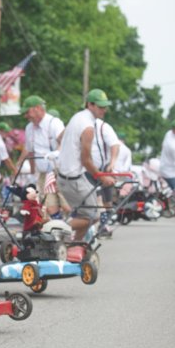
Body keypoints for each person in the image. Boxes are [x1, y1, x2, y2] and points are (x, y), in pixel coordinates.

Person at [56, 89, 116, 240]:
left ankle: (75, 245)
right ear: (90, 104)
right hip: (74, 179)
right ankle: (56, 230)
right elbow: (86, 160)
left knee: (86, 214)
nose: (104, 110)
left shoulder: (76, 117)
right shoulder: (88, 128)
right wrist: (103, 178)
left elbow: (59, 138)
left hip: (64, 176)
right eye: (101, 106)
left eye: (105, 106)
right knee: (93, 215)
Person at [15, 95, 68, 218]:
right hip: (44, 173)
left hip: (59, 171)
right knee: (49, 207)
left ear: (37, 108)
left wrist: (57, 152)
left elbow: (65, 142)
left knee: (67, 205)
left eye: (27, 112)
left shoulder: (53, 123)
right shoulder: (29, 128)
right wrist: (19, 163)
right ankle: (59, 229)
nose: (26, 116)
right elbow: (29, 149)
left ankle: (82, 228)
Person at [88, 118, 120, 234]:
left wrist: (112, 163)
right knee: (97, 198)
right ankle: (96, 226)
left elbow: (114, 145)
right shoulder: (80, 124)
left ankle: (105, 223)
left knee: (107, 200)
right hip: (87, 169)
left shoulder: (103, 127)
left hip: (104, 168)